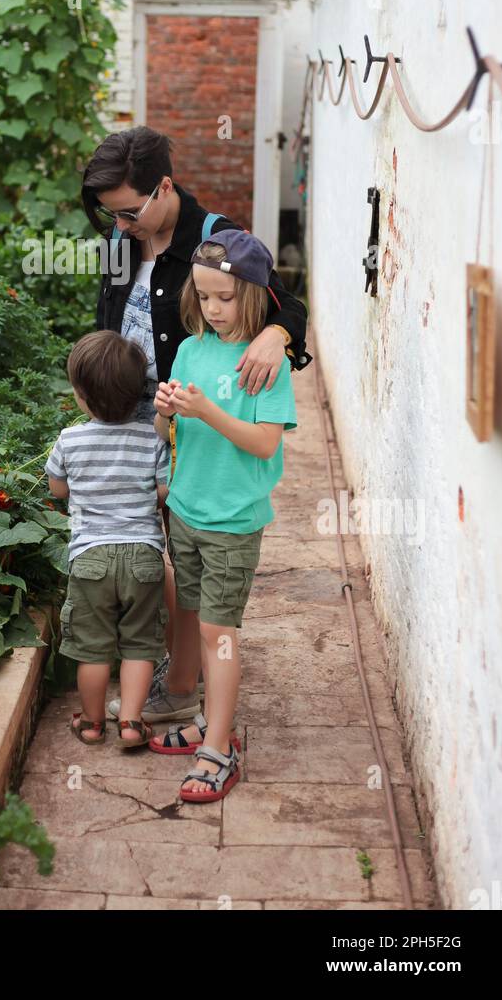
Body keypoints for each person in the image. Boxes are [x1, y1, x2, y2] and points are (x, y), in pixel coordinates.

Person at [81, 125, 310, 718]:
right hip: (135, 418)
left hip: (193, 427)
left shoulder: (217, 240)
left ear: (163, 188)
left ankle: (182, 684)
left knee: (186, 551)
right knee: (153, 546)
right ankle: (171, 665)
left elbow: (287, 302)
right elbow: (109, 315)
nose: (122, 225)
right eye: (112, 216)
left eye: (130, 212)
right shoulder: (118, 240)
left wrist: (276, 336)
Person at [149, 228, 298, 802]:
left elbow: (264, 444)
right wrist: (166, 413)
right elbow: (172, 432)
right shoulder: (190, 349)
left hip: (232, 520)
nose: (212, 309)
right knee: (193, 612)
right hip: (186, 509)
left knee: (219, 632)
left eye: (225, 298)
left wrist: (207, 409)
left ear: (256, 294)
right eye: (204, 296)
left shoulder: (267, 363)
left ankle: (220, 747)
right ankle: (209, 721)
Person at [44, 331, 170, 750]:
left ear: (81, 395)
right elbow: (164, 492)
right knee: (139, 644)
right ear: (138, 394)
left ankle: (93, 723)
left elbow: (58, 490)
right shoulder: (152, 439)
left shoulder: (70, 440)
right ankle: (132, 722)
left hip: (90, 558)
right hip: (144, 558)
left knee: (93, 649)